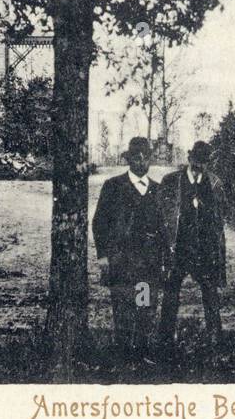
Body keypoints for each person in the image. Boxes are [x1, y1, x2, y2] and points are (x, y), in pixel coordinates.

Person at [91, 136, 166, 361]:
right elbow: (99, 222)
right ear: (129, 159)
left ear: (150, 160)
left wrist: (162, 259)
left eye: (146, 157)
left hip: (147, 264)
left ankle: (142, 353)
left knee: (144, 306)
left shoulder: (157, 190)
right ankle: (123, 354)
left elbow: (164, 228)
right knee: (122, 306)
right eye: (136, 157)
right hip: (120, 261)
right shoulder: (113, 186)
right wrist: (103, 255)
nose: (141, 162)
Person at [158, 140, 227, 350]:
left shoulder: (215, 184)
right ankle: (165, 337)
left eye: (204, 163)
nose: (199, 167)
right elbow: (161, 213)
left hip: (205, 250)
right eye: (196, 162)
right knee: (171, 292)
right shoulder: (171, 181)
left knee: (210, 293)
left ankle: (215, 337)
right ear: (189, 159)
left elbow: (221, 214)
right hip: (178, 248)